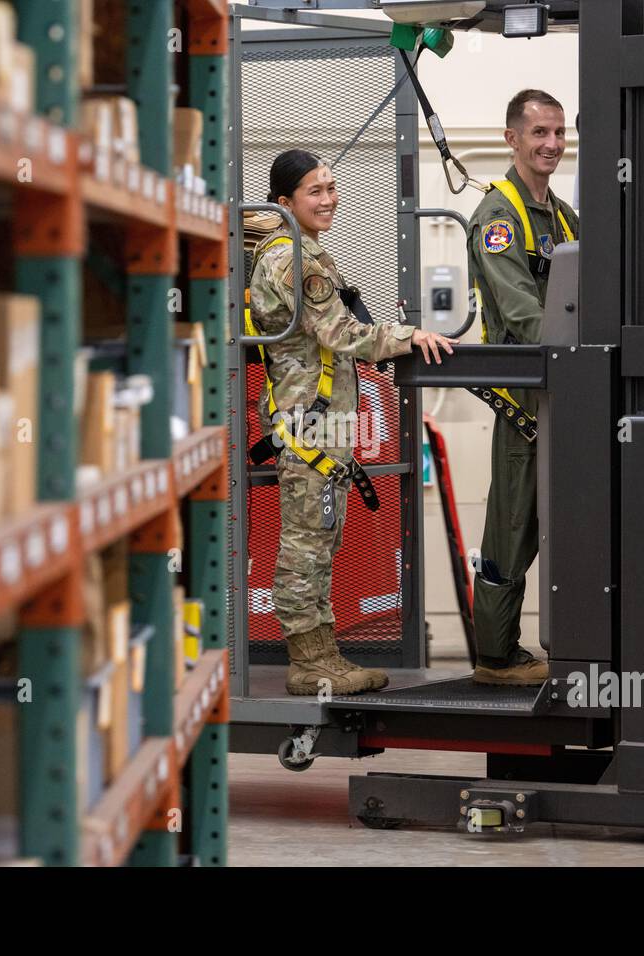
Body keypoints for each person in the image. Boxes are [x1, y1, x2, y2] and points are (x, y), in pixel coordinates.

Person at [248, 149, 457, 696]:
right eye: (315, 191)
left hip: (323, 422)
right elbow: (343, 335)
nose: (329, 199)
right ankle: (307, 662)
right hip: (309, 423)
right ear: (284, 202)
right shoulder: (296, 258)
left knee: (323, 538)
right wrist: (411, 337)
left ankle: (325, 655)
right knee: (304, 544)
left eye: (332, 187)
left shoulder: (302, 252)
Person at [467, 90, 580, 686]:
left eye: (559, 133)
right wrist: (577, 359)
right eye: (539, 133)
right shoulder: (498, 217)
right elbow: (520, 312)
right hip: (526, 402)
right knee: (513, 526)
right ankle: (495, 655)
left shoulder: (562, 216)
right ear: (512, 138)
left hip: (565, 394)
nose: (552, 145)